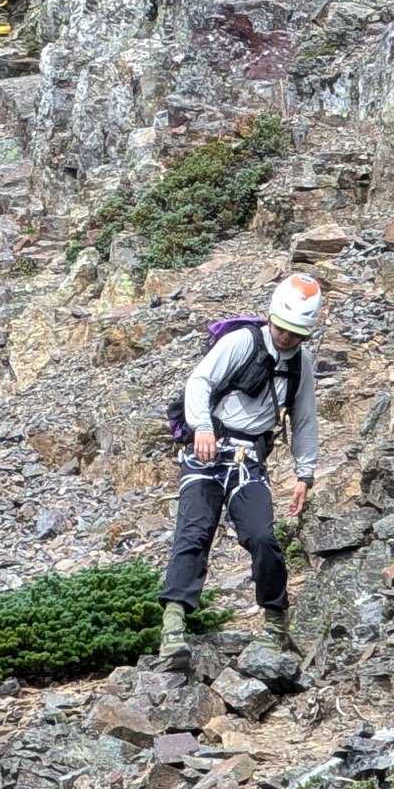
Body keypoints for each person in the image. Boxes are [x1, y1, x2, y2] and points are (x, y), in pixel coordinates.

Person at [159, 274, 323, 657]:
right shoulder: (241, 342)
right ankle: (173, 627)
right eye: (282, 329)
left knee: (262, 537)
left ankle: (275, 622)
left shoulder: (301, 364)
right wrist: (202, 427)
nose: (287, 338)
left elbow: (304, 420)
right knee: (194, 534)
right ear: (271, 318)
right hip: (207, 452)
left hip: (249, 460)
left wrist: (305, 474)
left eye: (296, 333)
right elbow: (199, 382)